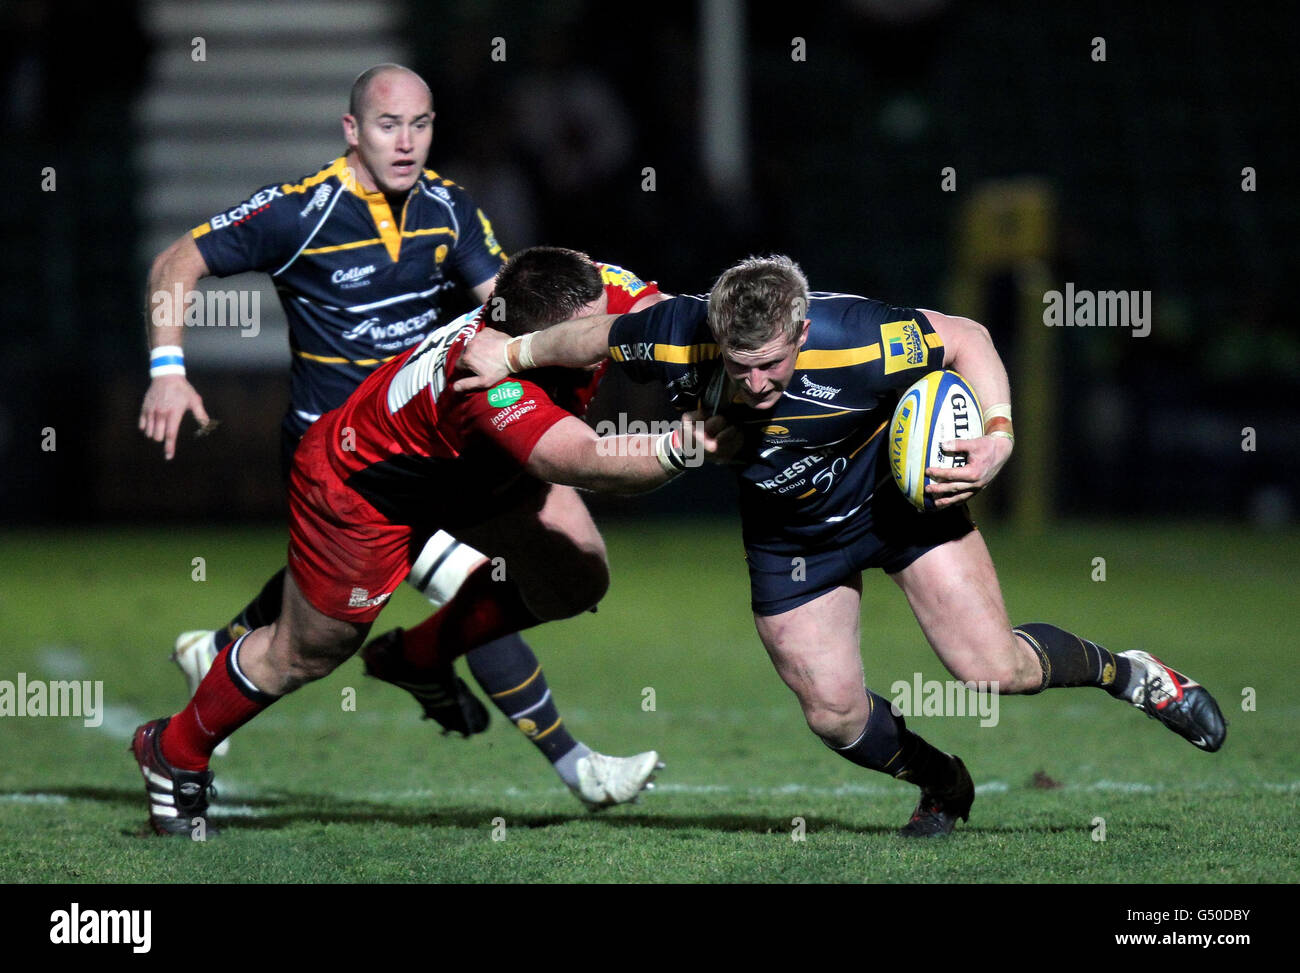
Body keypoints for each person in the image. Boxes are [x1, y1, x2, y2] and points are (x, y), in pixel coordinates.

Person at [454, 254, 1228, 837]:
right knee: (832, 714)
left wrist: (998, 435)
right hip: (789, 532)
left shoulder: (863, 337)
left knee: (993, 669)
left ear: (799, 330)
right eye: (738, 363)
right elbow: (597, 333)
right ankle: (941, 780)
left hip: (894, 501)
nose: (753, 383)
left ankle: (1133, 674)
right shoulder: (680, 330)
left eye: (769, 364)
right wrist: (511, 355)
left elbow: (971, 339)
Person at [136, 64, 661, 804]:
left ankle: (229, 648)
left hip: (453, 428)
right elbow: (175, 261)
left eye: (421, 123)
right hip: (356, 461)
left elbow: (511, 305)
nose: (407, 141)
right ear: (352, 130)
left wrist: (584, 332)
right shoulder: (301, 212)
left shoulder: (447, 208)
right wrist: (167, 368)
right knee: (339, 631)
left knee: (572, 565)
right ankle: (573, 765)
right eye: (389, 125)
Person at [131, 246, 734, 836]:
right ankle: (173, 749)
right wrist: (683, 446)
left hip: (470, 471)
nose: (604, 335)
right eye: (587, 332)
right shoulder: (487, 381)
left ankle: (415, 657)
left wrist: (759, 348)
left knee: (575, 577)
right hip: (366, 489)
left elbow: (669, 318)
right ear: (537, 339)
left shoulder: (593, 288)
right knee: (309, 651)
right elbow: (581, 459)